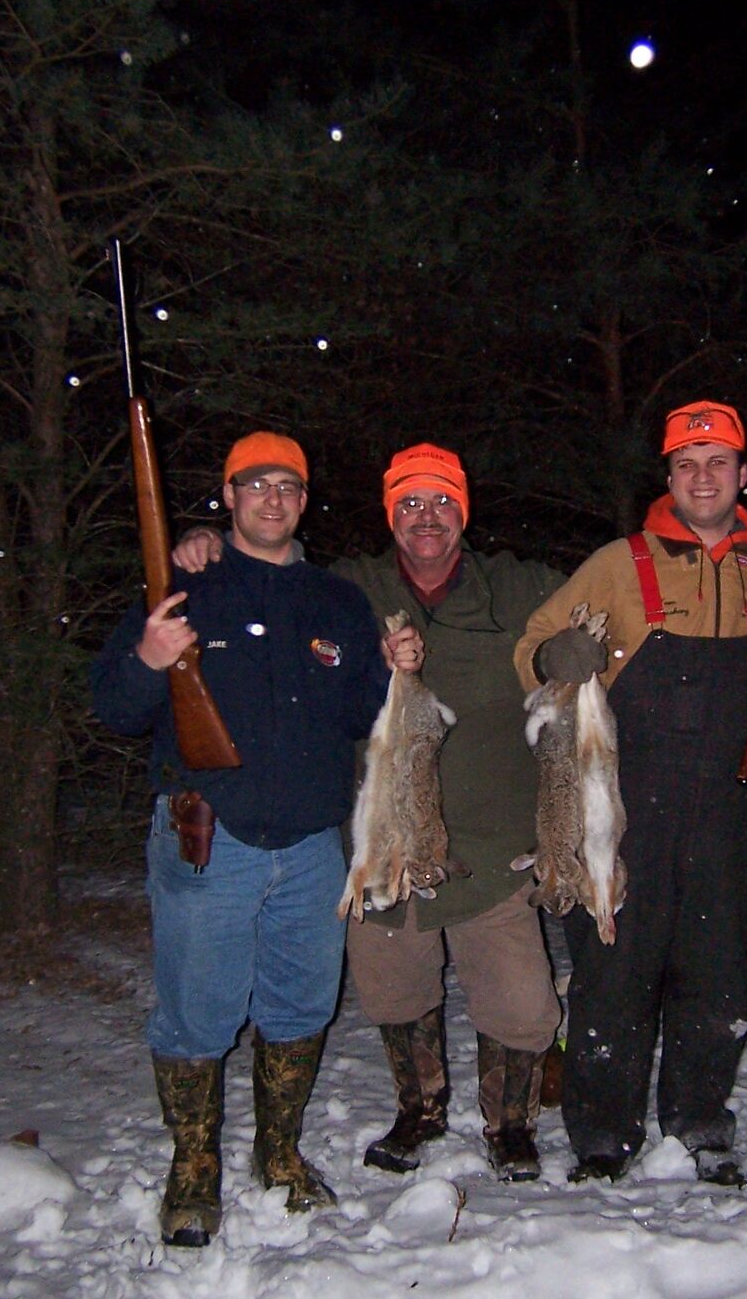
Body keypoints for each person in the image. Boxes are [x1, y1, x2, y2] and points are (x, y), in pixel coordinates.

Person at [172, 445, 565, 1181]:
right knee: (394, 989)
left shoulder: (513, 585)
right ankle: (419, 1110)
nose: (428, 517)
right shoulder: (348, 585)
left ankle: (510, 1122)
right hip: (385, 840)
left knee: (523, 1006)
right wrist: (202, 547)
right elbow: (268, 575)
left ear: (464, 513)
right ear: (390, 514)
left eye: (443, 502)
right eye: (410, 502)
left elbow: (598, 601)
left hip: (491, 836)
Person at [91, 431, 423, 1248]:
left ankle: (279, 1158)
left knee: (301, 1007)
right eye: (255, 485)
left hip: (314, 849)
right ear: (229, 497)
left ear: (304, 501)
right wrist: (147, 654)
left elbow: (359, 719)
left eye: (289, 487)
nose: (273, 500)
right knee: (196, 1018)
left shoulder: (336, 600)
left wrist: (391, 670)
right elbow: (115, 709)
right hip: (211, 845)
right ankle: (193, 1176)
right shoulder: (185, 585)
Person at [513, 401, 747, 1186]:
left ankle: (702, 1122)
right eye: (686, 464)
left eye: (718, 463)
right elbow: (532, 647)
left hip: (733, 808)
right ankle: (602, 1134)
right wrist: (557, 659)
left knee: (717, 973)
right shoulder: (617, 562)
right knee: (612, 969)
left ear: (742, 474)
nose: (703, 478)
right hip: (624, 805)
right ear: (668, 477)